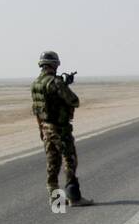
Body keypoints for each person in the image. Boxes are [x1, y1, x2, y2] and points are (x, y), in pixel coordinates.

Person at [31, 50, 93, 207]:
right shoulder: (55, 83)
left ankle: (55, 198)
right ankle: (74, 197)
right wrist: (64, 85)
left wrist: (41, 130)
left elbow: (38, 109)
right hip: (59, 128)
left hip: (45, 127)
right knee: (69, 159)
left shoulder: (36, 84)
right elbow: (74, 101)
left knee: (52, 162)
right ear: (55, 64)